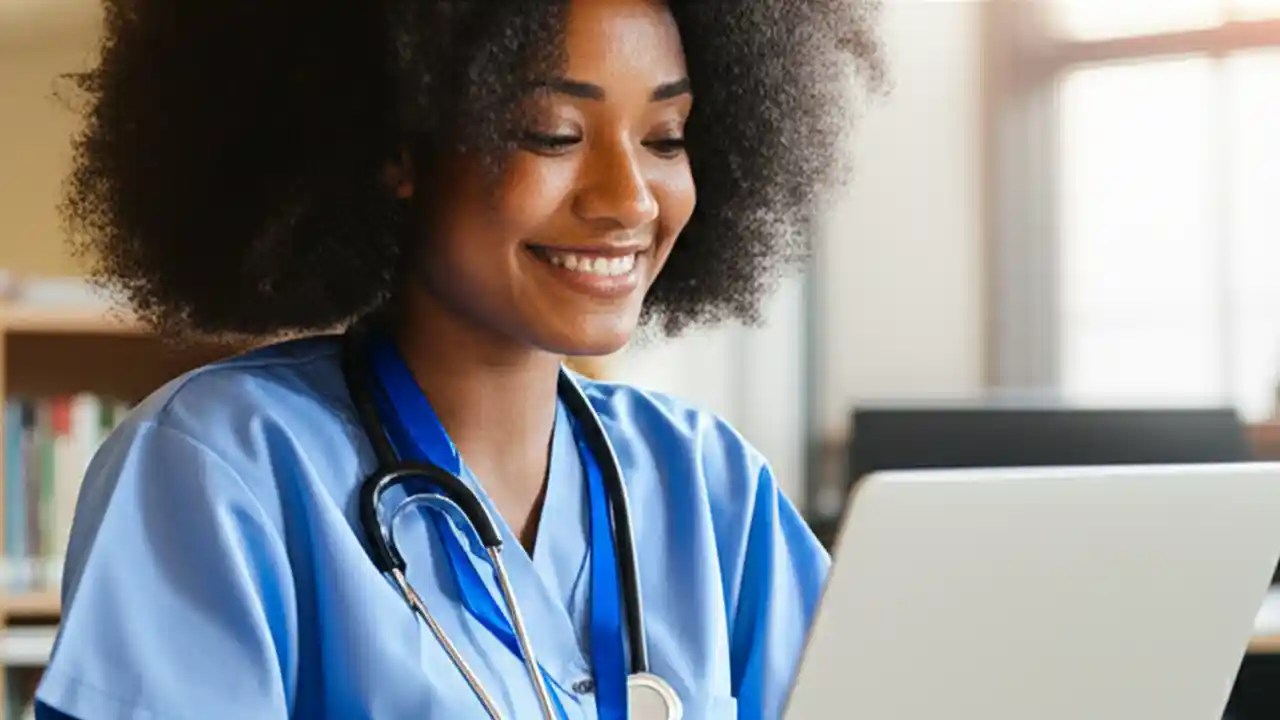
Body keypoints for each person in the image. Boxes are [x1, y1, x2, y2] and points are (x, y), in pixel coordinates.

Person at [34, 0, 883, 717]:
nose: (628, 197)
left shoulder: (711, 490)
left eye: (665, 137)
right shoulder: (217, 472)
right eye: (553, 134)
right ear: (398, 150)